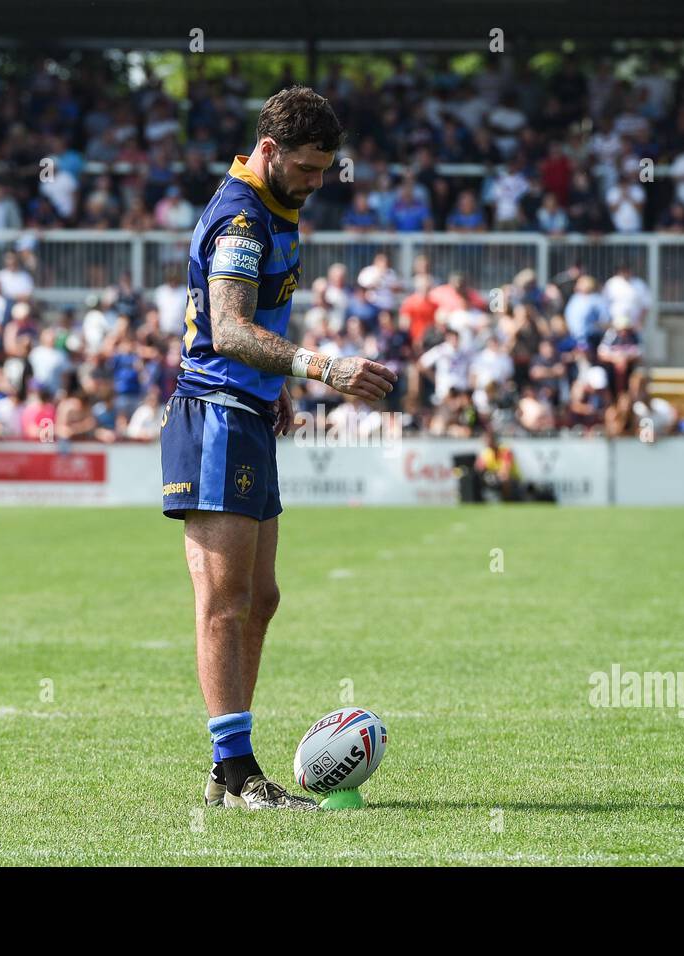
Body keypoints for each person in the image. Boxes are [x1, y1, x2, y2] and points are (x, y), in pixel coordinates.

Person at [160, 87, 397, 811]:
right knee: (225, 602)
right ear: (268, 151)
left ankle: (227, 767)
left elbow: (247, 328)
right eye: (306, 167)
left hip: (250, 411)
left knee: (261, 598)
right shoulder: (241, 217)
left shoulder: (275, 207)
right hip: (215, 417)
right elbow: (229, 329)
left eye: (325, 168)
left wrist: (276, 384)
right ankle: (235, 773)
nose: (317, 181)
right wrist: (322, 368)